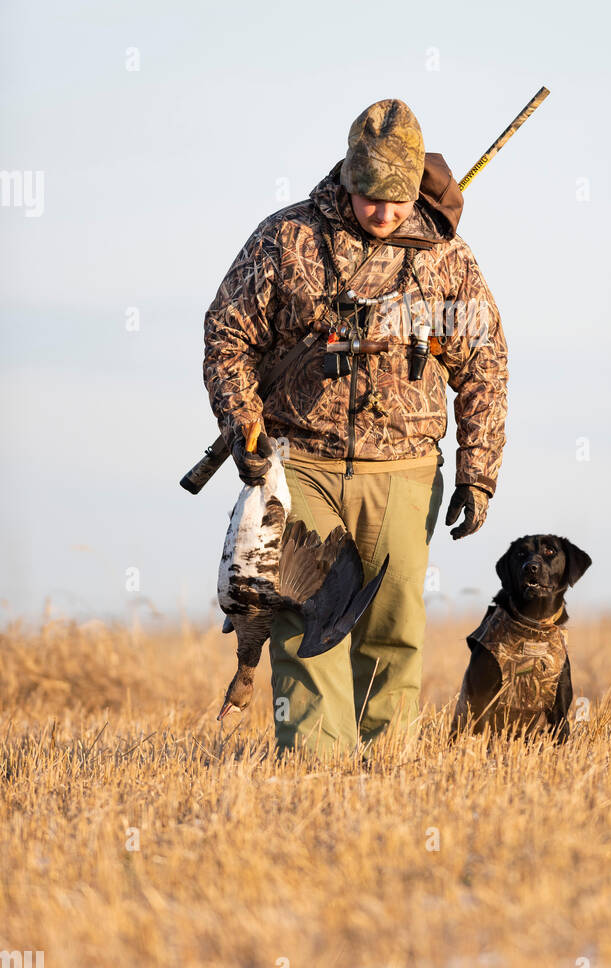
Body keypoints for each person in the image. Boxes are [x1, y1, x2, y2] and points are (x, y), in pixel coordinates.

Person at [203, 98, 508, 756]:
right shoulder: (286, 239)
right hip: (299, 464)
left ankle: (386, 772)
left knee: (392, 627)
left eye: (397, 200)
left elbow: (484, 364)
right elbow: (227, 339)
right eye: (370, 196)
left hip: (403, 472)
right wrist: (244, 429)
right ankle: (317, 773)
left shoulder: (445, 256)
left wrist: (476, 472)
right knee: (304, 619)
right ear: (346, 176)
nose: (384, 212)